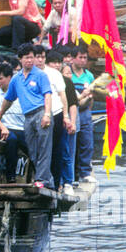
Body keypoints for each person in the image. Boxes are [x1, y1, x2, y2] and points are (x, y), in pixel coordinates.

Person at [0, 44, 53, 189]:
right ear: (20, 59)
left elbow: (47, 95)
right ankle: (46, 179)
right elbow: (9, 99)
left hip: (40, 112)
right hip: (28, 117)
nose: (30, 61)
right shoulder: (16, 79)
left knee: (44, 147)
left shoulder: (40, 75)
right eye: (27, 58)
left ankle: (42, 180)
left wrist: (47, 114)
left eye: (32, 57)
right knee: (32, 150)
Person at [44, 48, 76, 196]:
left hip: (60, 116)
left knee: (64, 151)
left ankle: (67, 182)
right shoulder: (42, 77)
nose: (56, 65)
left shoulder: (67, 82)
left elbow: (71, 103)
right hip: (46, 117)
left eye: (59, 62)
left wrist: (68, 119)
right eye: (53, 62)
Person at [0, 62, 27, 180]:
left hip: (22, 128)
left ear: (10, 77)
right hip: (5, 128)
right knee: (12, 140)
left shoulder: (21, 91)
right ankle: (10, 176)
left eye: (1, 78)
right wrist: (3, 127)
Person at [69, 42, 101, 186]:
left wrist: (89, 110)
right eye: (80, 57)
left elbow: (93, 95)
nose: (83, 60)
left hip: (86, 112)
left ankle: (85, 172)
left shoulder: (89, 75)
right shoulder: (68, 73)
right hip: (72, 112)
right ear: (73, 58)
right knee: (72, 144)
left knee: (87, 143)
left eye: (85, 58)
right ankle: (73, 173)